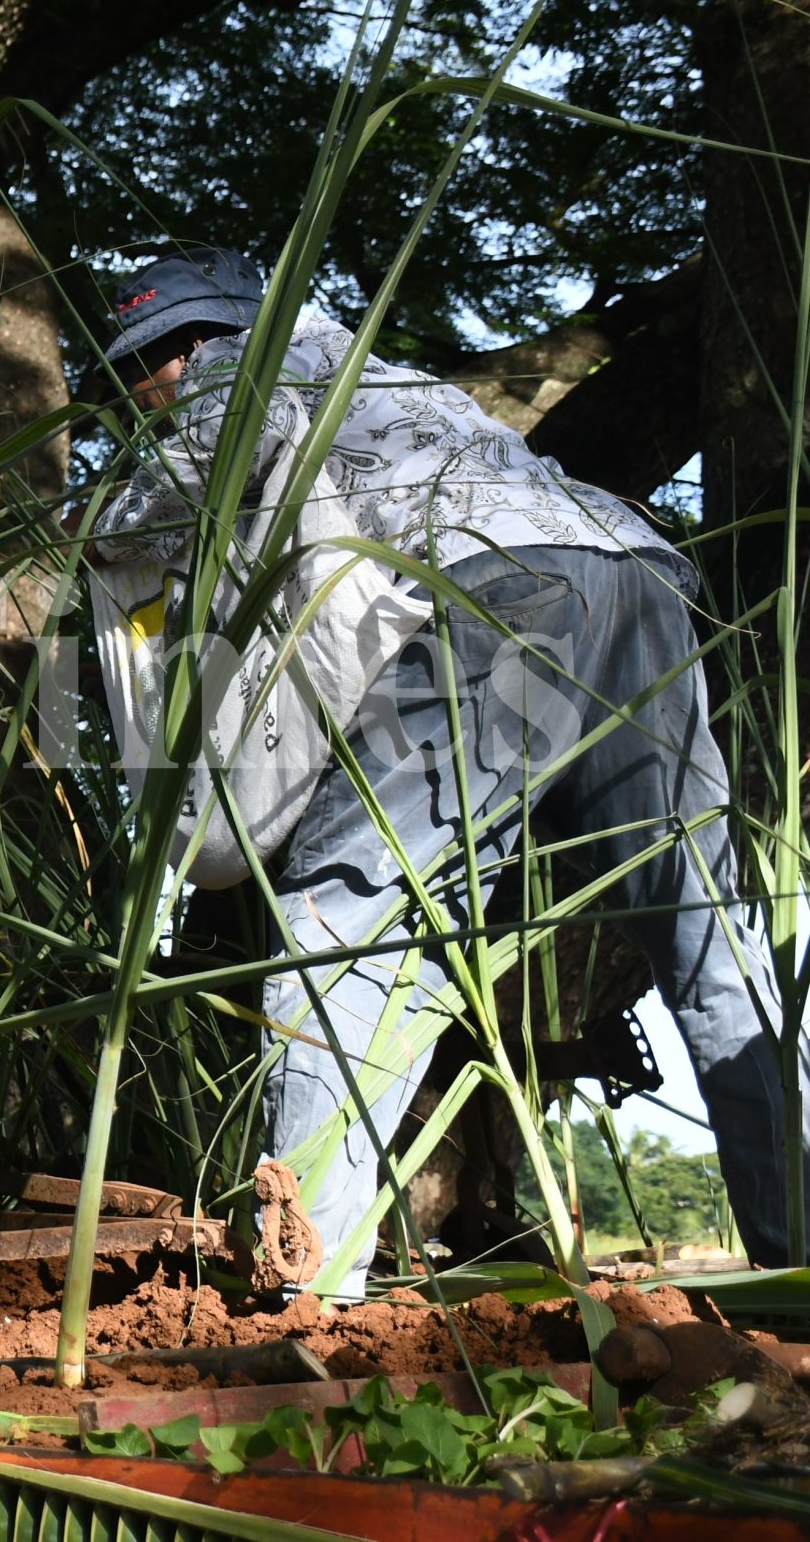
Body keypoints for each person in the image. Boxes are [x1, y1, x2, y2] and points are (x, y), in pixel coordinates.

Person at [89, 246, 799, 1291]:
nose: (141, 395)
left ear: (189, 346)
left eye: (142, 370)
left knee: (345, 917)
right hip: (634, 581)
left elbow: (153, 510)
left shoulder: (244, 373)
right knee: (707, 933)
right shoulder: (380, 374)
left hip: (506, 610)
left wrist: (87, 534)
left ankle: (305, 1278)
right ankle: (800, 1254)